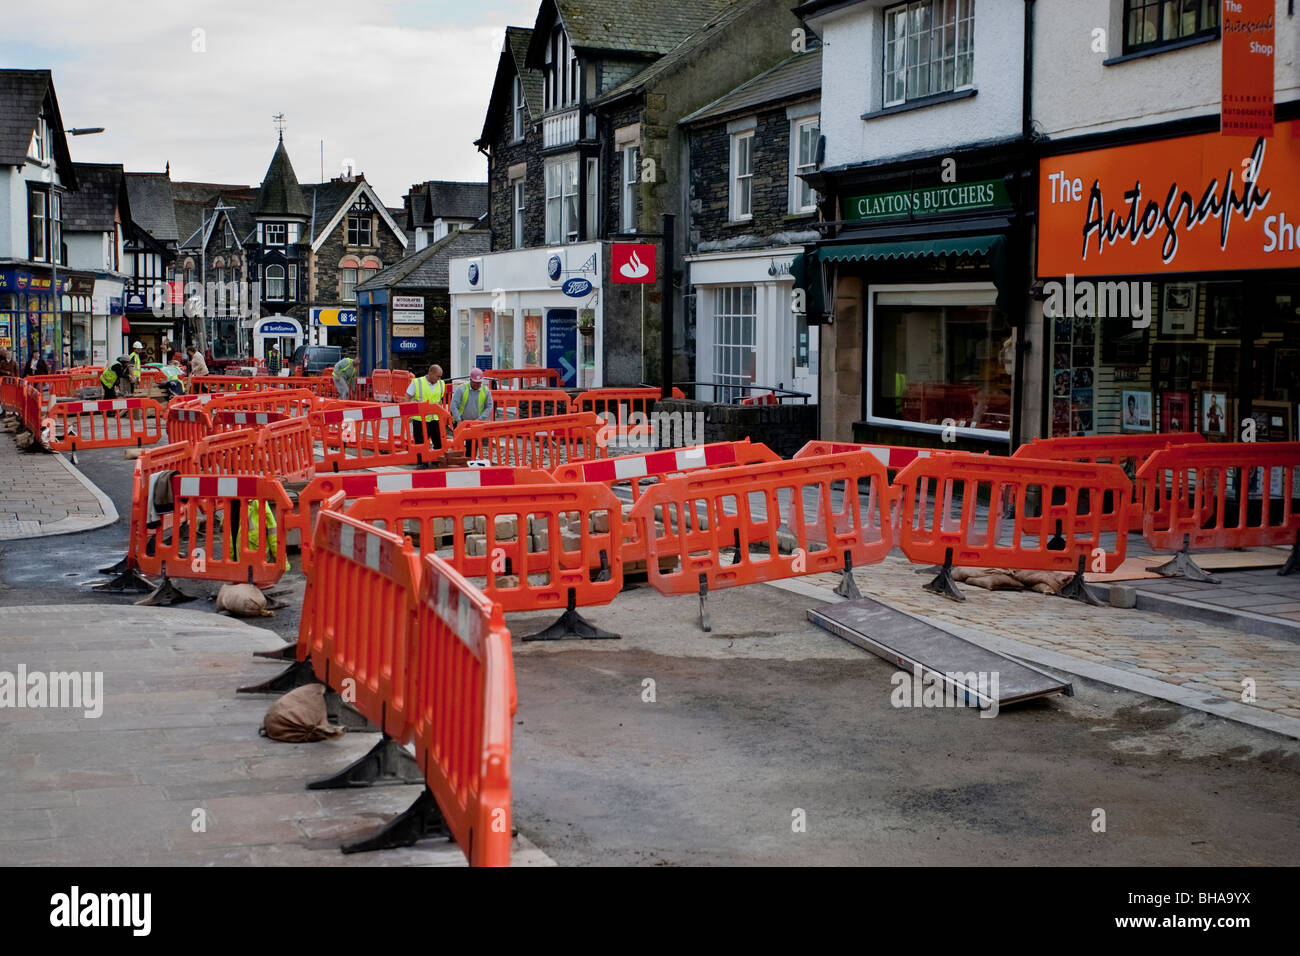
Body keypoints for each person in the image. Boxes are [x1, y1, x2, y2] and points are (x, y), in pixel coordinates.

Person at [405, 363, 446, 456]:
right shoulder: (417, 382)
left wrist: (442, 415)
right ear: (431, 373)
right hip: (420, 419)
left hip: (435, 419)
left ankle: (436, 460)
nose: (439, 379)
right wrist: (408, 414)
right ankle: (421, 463)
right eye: (438, 376)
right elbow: (407, 397)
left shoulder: (441, 383)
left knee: (438, 443)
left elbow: (439, 400)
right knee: (420, 443)